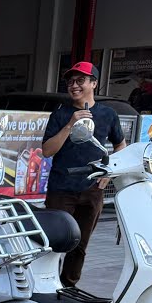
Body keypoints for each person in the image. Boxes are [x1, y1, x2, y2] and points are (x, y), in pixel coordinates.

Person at [40, 61, 127, 288]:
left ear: (94, 84)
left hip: (92, 190)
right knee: (52, 243)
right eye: (70, 81)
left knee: (80, 245)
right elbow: (47, 151)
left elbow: (121, 145)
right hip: (61, 189)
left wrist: (110, 172)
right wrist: (70, 124)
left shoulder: (108, 114)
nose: (74, 85)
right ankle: (46, 286)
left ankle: (69, 287)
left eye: (80, 80)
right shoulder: (60, 114)